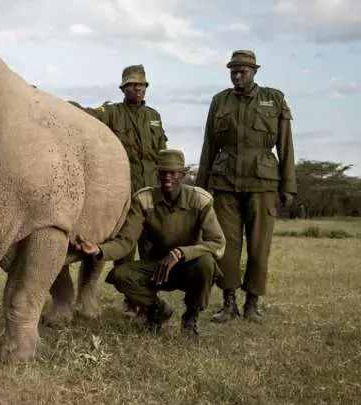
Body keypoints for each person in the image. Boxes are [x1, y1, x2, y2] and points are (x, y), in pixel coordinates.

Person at [73, 149, 226, 335]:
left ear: (183, 175)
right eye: (163, 172)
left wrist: (180, 253)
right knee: (120, 274)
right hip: (157, 268)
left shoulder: (200, 200)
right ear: (157, 174)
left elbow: (217, 242)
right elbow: (125, 242)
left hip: (189, 268)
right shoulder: (144, 199)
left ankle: (191, 317)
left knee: (206, 263)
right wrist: (98, 249)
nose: (167, 177)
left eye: (173, 173)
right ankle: (157, 310)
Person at [196, 50, 296, 324]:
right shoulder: (219, 101)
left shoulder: (274, 99)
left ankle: (253, 303)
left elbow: (286, 145)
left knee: (259, 246)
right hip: (225, 182)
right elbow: (208, 146)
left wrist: (288, 185)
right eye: (233, 71)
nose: (238, 75)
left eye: (243, 71)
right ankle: (229, 303)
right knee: (225, 246)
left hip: (262, 183)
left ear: (254, 71)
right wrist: (201, 187)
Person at [70, 64, 168, 315]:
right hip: (123, 195)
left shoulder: (154, 116)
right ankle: (129, 299)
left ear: (146, 88)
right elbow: (85, 115)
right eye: (132, 85)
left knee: (151, 248)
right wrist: (57, 104)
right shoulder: (112, 112)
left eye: (141, 85)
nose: (137, 88)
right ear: (123, 88)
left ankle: (146, 297)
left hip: (152, 194)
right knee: (124, 248)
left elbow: (162, 154)